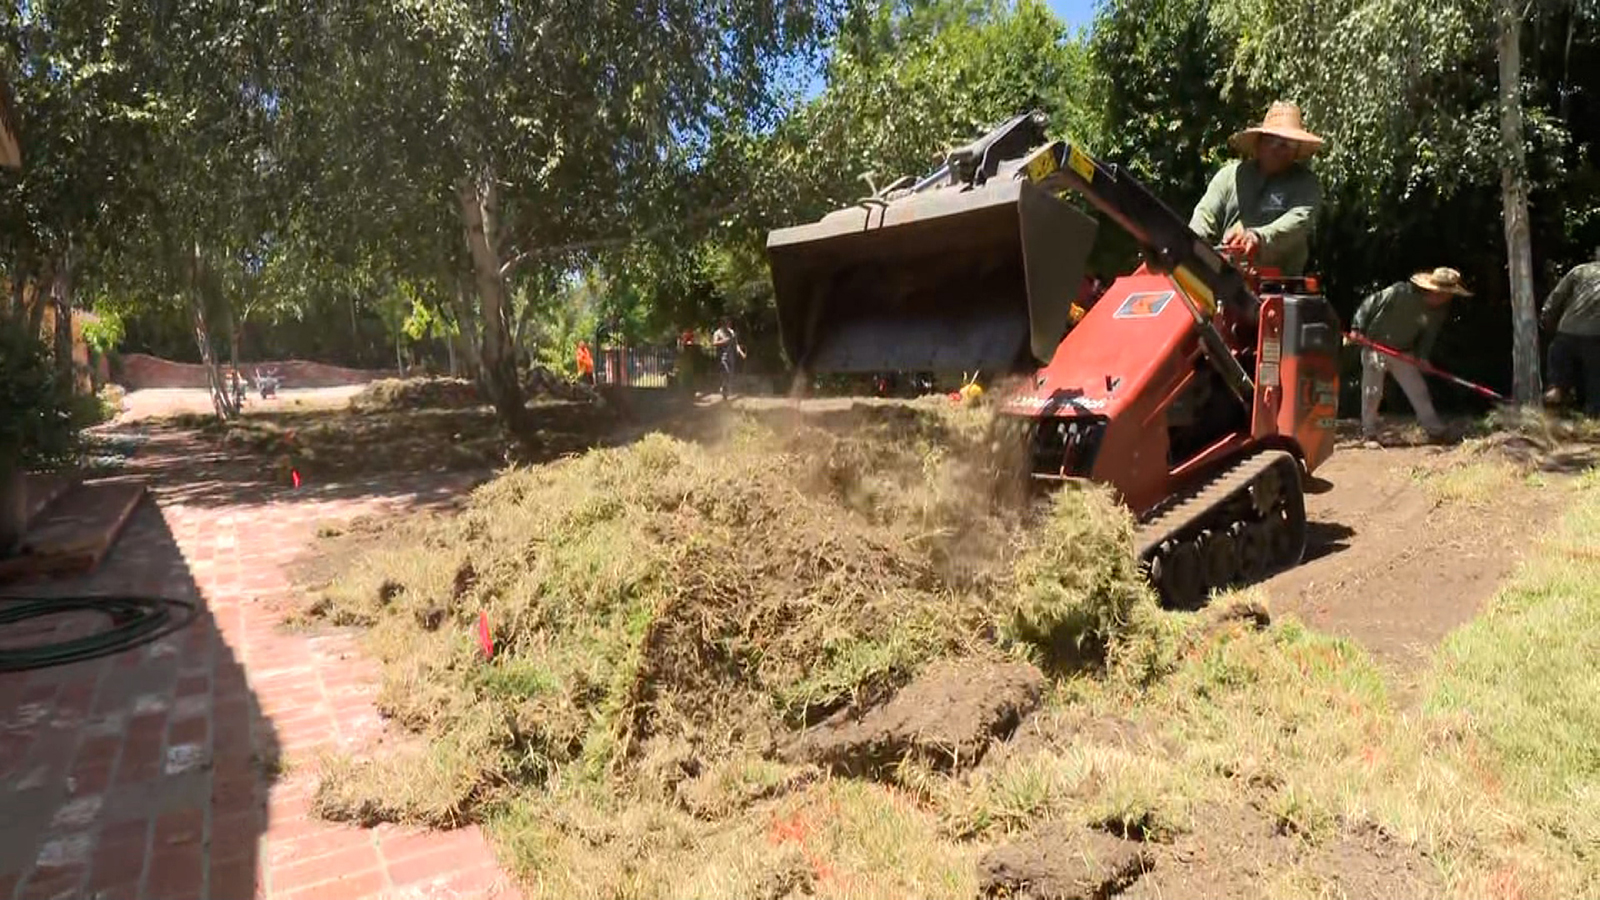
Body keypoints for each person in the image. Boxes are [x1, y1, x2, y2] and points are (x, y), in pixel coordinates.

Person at [1189, 101, 1324, 276]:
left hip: (1278, 284)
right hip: (1223, 276)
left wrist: (1257, 237)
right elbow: (1204, 216)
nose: (1277, 149)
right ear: (1258, 144)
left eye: (1286, 145)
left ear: (1296, 151)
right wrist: (1190, 244)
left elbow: (1299, 221)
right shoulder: (1229, 177)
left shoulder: (1305, 184)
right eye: (1271, 141)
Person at [1349, 267, 1474, 446]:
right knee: (1372, 392)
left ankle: (1435, 431)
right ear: (1433, 289)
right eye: (1444, 293)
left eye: (1449, 294)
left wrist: (1422, 357)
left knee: (1419, 391)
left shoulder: (1438, 311)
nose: (1446, 297)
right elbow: (1370, 303)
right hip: (1375, 347)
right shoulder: (1399, 292)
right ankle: (1369, 434)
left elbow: (1429, 334)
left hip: (1403, 352)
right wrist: (1357, 328)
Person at [1540, 249, 1600, 415]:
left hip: (1566, 332)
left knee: (1558, 382)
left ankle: (1554, 397)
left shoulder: (1580, 270)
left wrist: (1546, 320)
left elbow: (1556, 297)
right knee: (1596, 384)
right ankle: (1593, 420)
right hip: (1596, 336)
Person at [711, 318, 746, 400]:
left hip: (731, 357)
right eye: (727, 323)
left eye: (729, 323)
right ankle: (724, 389)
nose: (729, 325)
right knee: (726, 372)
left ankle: (724, 390)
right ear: (723, 324)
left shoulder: (731, 332)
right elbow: (714, 343)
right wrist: (724, 341)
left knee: (730, 375)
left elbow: (736, 344)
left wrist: (741, 353)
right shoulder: (717, 333)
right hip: (722, 357)